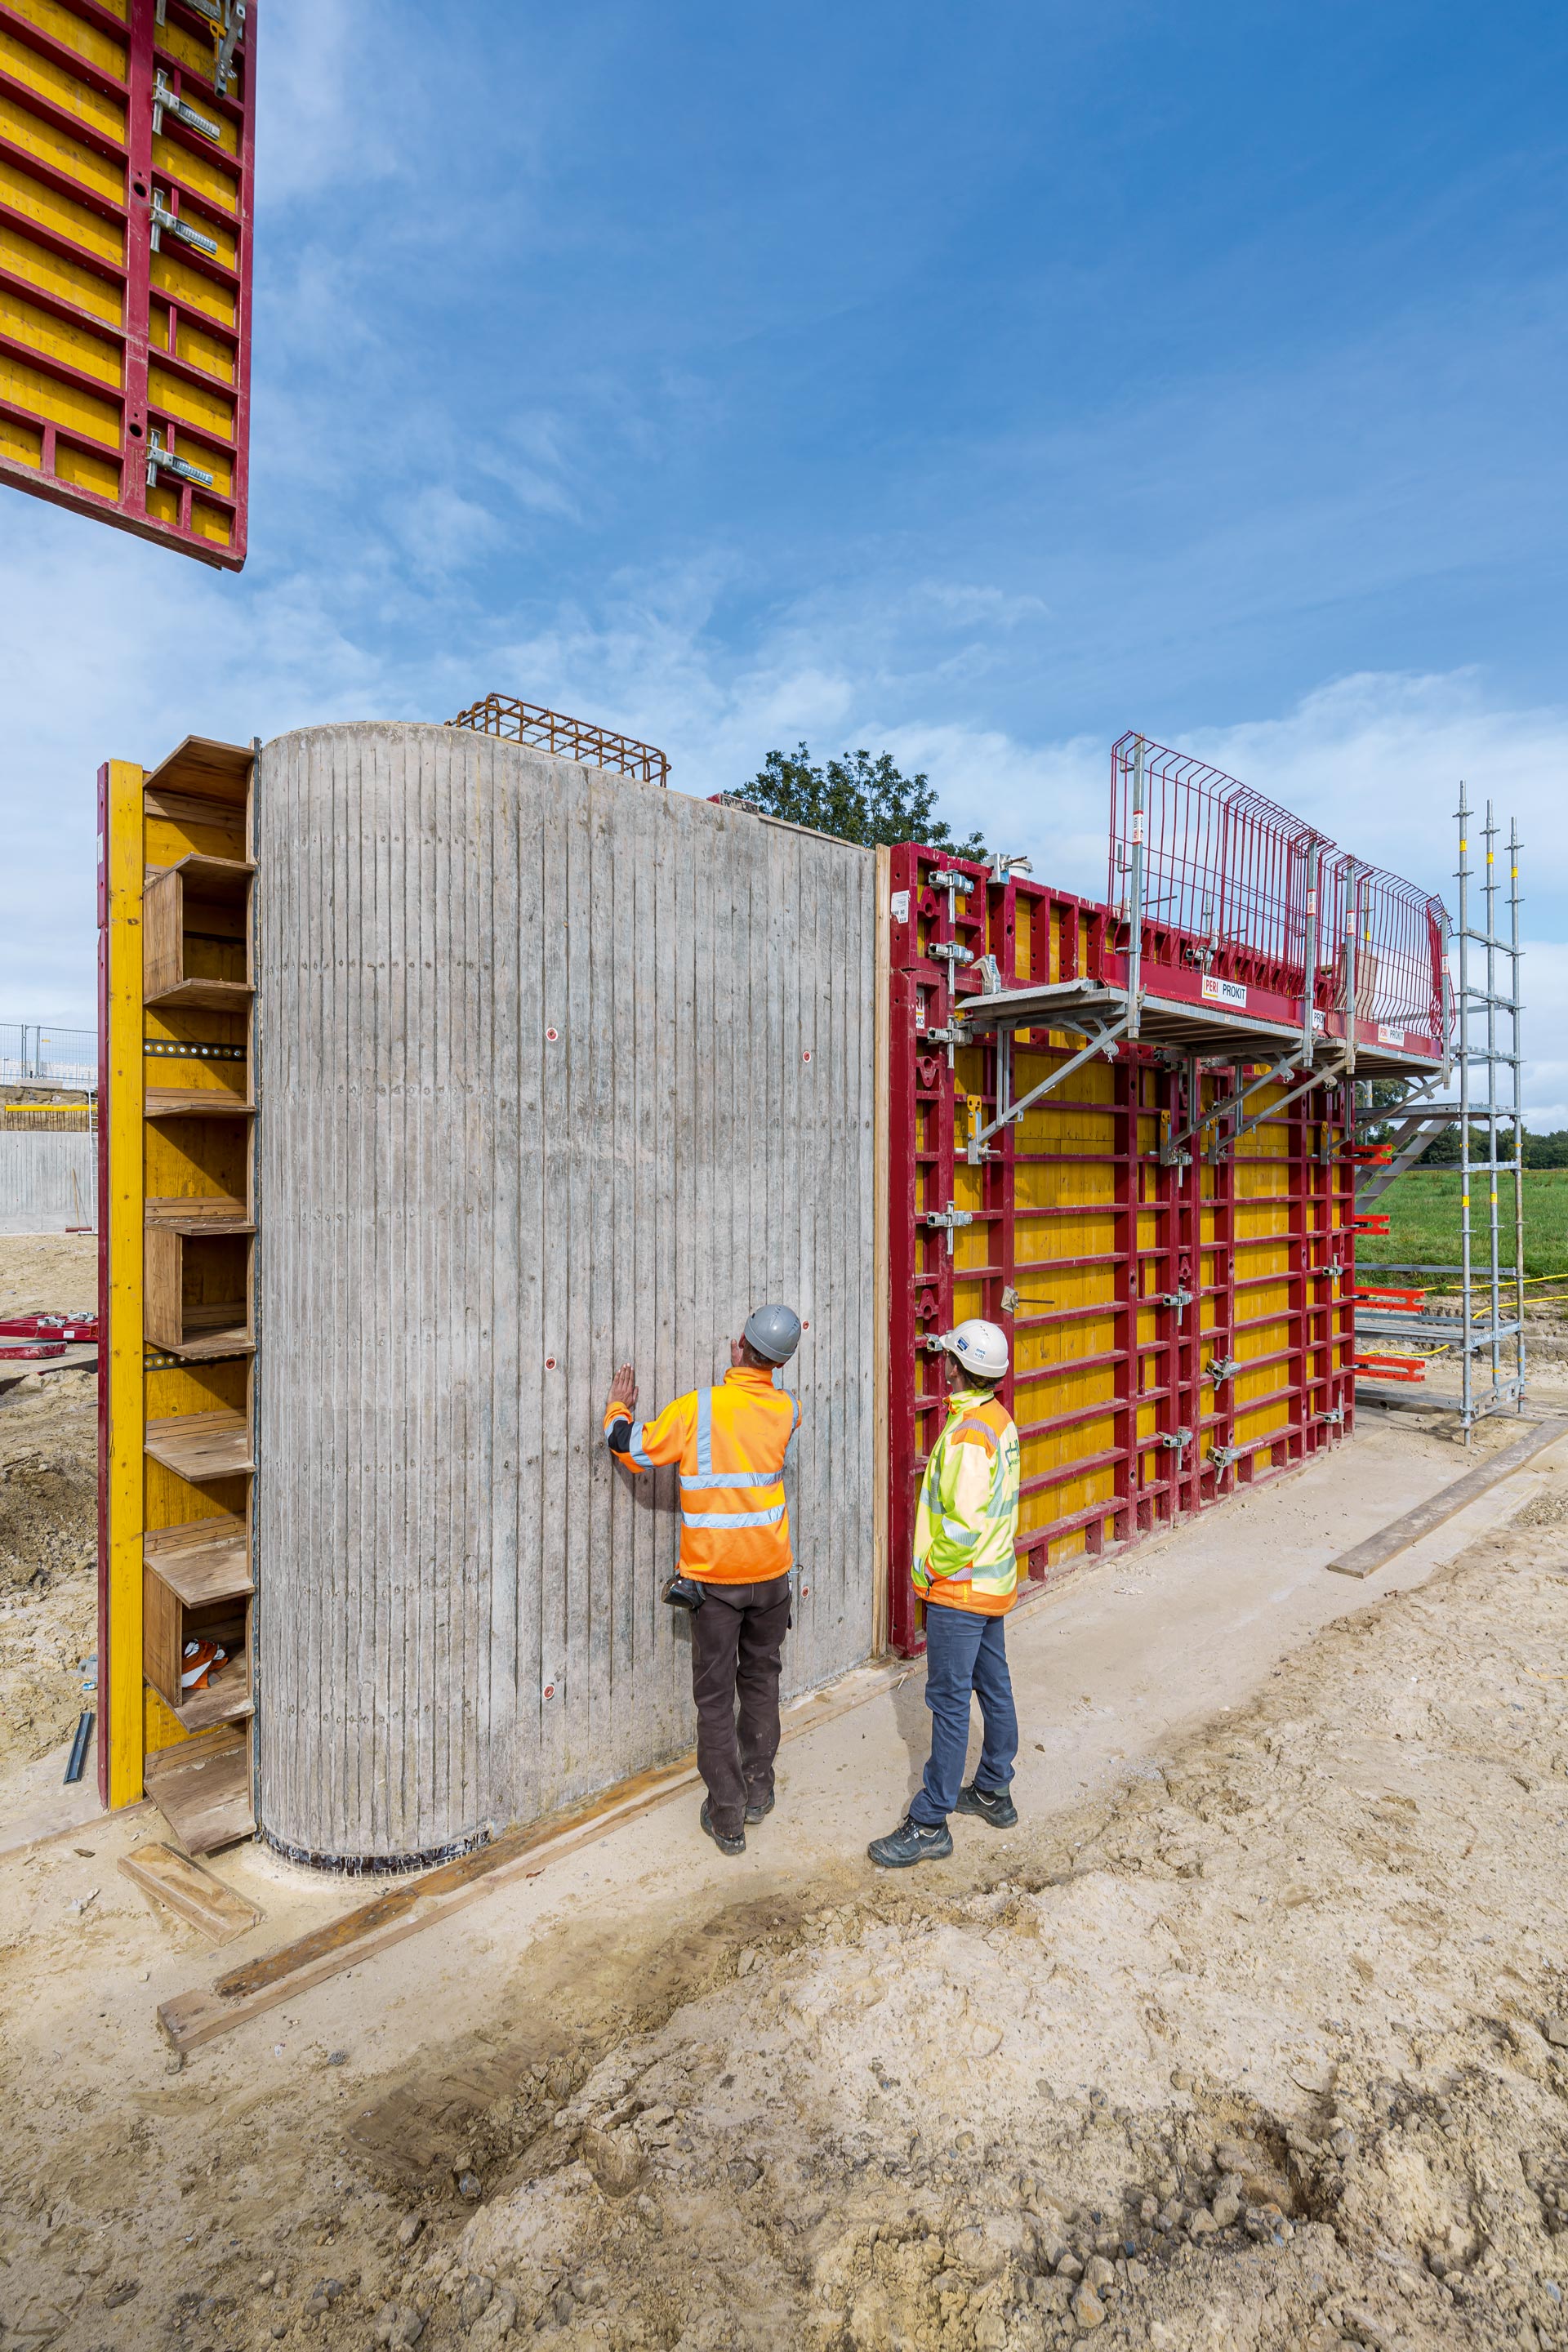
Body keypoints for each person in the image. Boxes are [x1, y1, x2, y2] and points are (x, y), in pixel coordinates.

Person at [603, 1306, 803, 1857]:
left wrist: (617, 1409)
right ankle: (758, 1793)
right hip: (771, 1577)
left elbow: (632, 1447)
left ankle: (728, 1816)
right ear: (780, 1362)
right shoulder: (788, 1408)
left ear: (739, 1345)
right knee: (761, 1683)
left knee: (715, 1700)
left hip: (717, 1582)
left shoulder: (700, 1408)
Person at [869, 1317, 1022, 1868]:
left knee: (950, 1703)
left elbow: (963, 1524)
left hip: (959, 1590)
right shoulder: (998, 1421)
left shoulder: (964, 1436)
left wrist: (931, 1571)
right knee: (993, 1686)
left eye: (947, 1359)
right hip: (992, 1583)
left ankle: (930, 1820)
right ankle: (993, 1789)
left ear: (954, 1368)